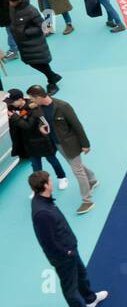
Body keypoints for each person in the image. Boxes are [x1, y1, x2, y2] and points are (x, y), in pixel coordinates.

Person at [29, 170, 107, 307]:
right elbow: (48, 241)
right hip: (63, 256)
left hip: (69, 248)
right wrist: (67, 252)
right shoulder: (42, 212)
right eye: (50, 181)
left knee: (81, 274)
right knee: (70, 287)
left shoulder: (45, 201)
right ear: (45, 185)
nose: (52, 183)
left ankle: (90, 299)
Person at [29, 86, 95, 214]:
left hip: (70, 144)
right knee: (75, 164)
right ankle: (92, 179)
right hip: (57, 144)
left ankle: (87, 201)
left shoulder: (63, 106)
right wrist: (41, 127)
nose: (31, 101)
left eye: (32, 99)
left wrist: (85, 144)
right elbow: (41, 120)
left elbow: (77, 125)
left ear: (38, 98)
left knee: (77, 171)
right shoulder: (39, 107)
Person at [9, 0, 60, 90]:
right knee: (32, 62)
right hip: (23, 43)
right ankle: (53, 76)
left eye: (12, 1)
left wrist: (26, 32)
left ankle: (52, 81)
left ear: (18, 1)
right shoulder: (13, 8)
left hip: (34, 42)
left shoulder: (31, 11)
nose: (10, 3)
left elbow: (43, 27)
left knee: (40, 62)